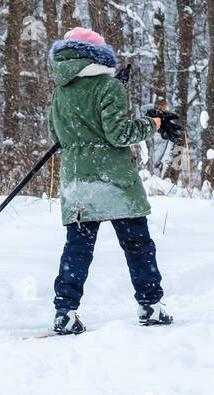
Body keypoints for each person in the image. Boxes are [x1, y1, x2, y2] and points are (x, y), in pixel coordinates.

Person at [47, 27, 179, 333]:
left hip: (77, 181)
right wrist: (153, 123)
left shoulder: (60, 91)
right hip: (113, 180)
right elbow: (120, 134)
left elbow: (57, 136)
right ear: (98, 56)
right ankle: (151, 306)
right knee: (138, 246)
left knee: (77, 249)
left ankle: (64, 311)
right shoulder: (108, 88)